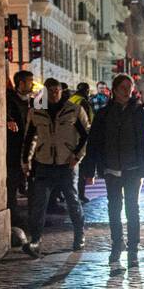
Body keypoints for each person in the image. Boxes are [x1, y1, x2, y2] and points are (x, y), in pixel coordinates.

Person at [83, 74, 144, 268]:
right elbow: (93, 144)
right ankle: (117, 245)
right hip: (112, 169)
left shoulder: (139, 112)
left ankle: (133, 249)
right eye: (123, 87)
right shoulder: (103, 114)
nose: (127, 91)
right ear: (114, 90)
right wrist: (89, 170)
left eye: (129, 87)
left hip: (134, 169)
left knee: (132, 209)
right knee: (114, 209)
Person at [21, 78, 90, 257]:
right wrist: (26, 160)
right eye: (50, 90)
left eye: (56, 90)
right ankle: (35, 241)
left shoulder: (74, 110)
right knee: (39, 204)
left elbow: (86, 136)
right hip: (44, 163)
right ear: (45, 91)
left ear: (61, 91)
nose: (53, 94)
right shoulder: (37, 112)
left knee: (73, 202)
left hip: (67, 164)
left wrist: (77, 156)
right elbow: (29, 138)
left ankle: (79, 235)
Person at [6, 70, 35, 225]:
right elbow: (5, 113)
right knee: (12, 185)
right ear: (21, 83)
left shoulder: (32, 101)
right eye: (30, 81)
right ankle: (14, 218)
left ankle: (34, 217)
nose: (32, 83)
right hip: (14, 150)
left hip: (31, 150)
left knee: (34, 185)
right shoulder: (9, 99)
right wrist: (9, 120)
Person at [72, 82, 96, 204]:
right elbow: (87, 120)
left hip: (71, 137)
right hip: (82, 136)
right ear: (86, 91)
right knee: (82, 168)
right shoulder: (83, 102)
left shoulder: (72, 99)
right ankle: (80, 195)